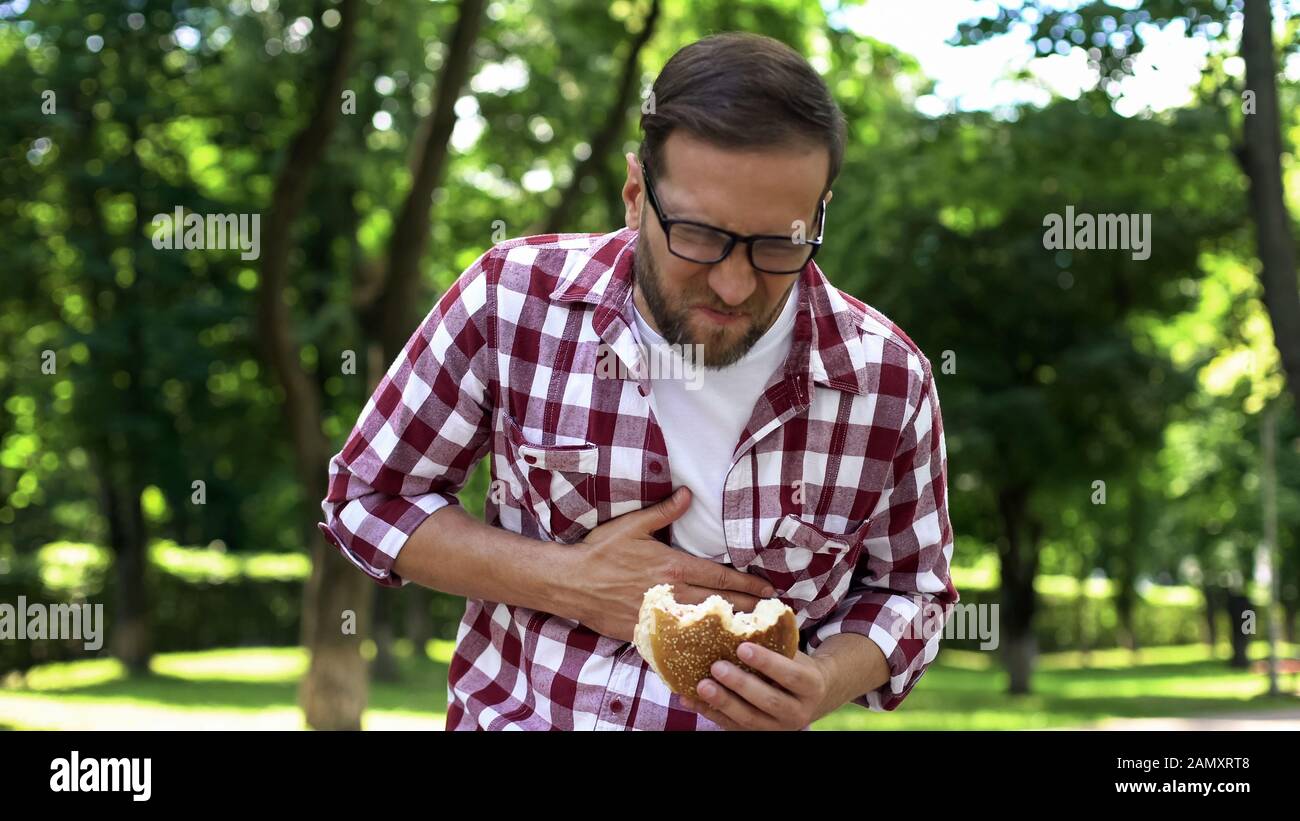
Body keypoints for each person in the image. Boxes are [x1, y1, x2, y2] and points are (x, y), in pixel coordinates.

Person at [319, 31, 958, 730]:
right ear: (634, 194)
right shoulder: (511, 298)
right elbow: (370, 496)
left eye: (779, 244)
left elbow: (913, 591)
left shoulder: (889, 381)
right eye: (699, 234)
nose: (735, 282)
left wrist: (827, 677)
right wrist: (569, 582)